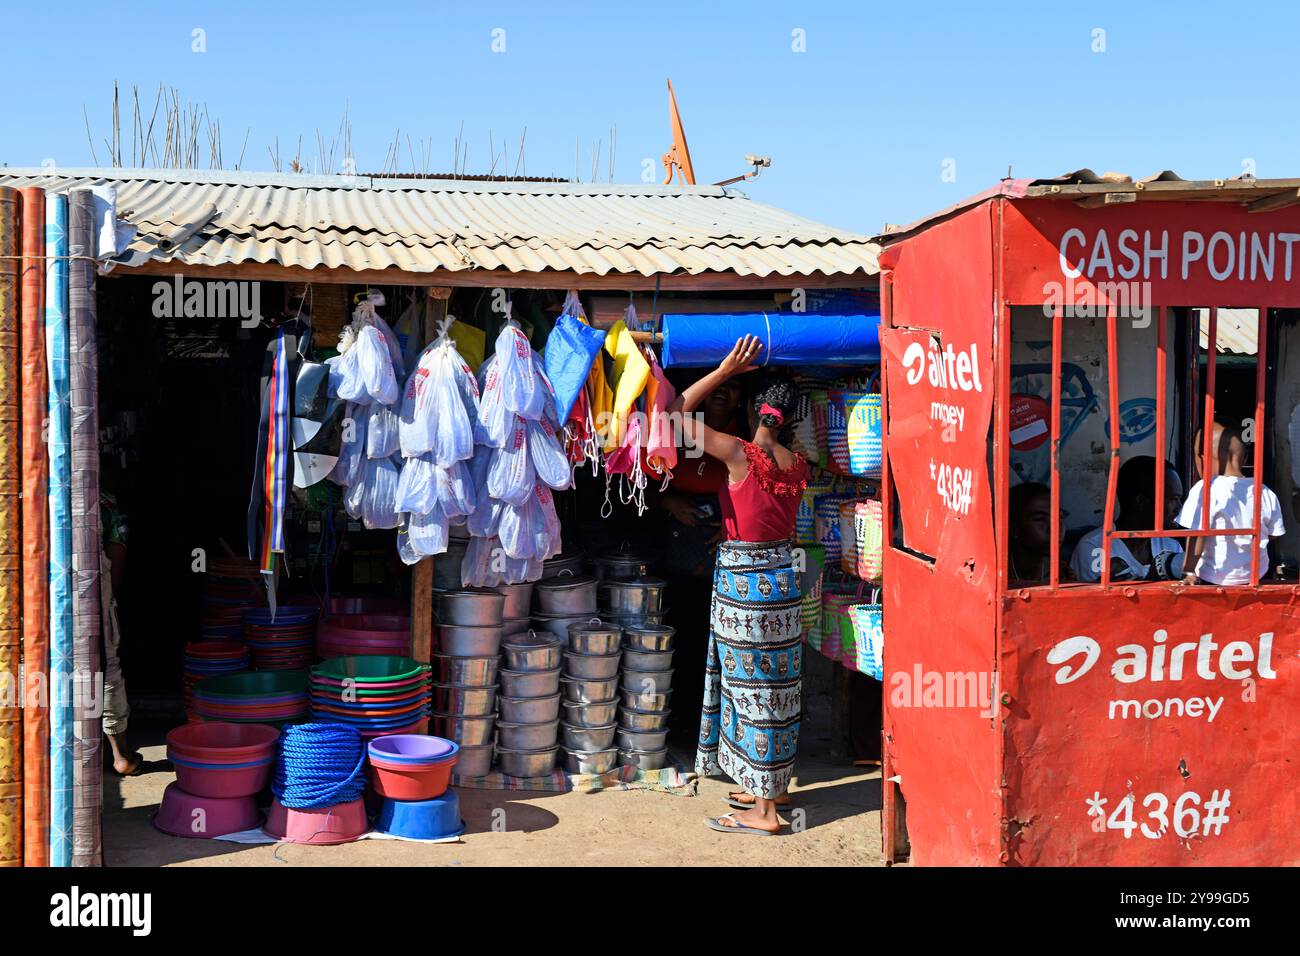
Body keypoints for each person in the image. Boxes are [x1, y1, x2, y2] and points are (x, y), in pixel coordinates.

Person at [672, 335, 808, 836]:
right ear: (790, 419)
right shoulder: (799, 467)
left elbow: (673, 413)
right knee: (773, 689)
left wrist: (725, 371)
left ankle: (766, 813)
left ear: (753, 408)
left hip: (744, 589)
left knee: (751, 692)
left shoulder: (740, 454)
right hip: (782, 586)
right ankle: (766, 786)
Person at [1177, 422, 1286, 585]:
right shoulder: (1264, 491)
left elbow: (1197, 533)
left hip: (1213, 577)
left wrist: (1189, 571)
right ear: (1245, 458)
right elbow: (1274, 534)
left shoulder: (1205, 488)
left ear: (1204, 458)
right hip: (1255, 576)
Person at [1069, 456, 1185, 582]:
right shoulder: (1095, 547)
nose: (1179, 507)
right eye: (1173, 499)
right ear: (1141, 501)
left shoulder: (1171, 546)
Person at [100, 486, 142, 775]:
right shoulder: (105, 502)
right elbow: (117, 551)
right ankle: (120, 754)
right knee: (106, 669)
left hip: (32, 595)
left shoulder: (19, 491)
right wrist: (111, 598)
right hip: (92, 592)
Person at [1007, 482, 1066, 584]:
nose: (1054, 528)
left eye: (1059, 517)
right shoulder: (992, 574)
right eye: (1039, 519)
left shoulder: (1062, 573)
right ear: (1014, 529)